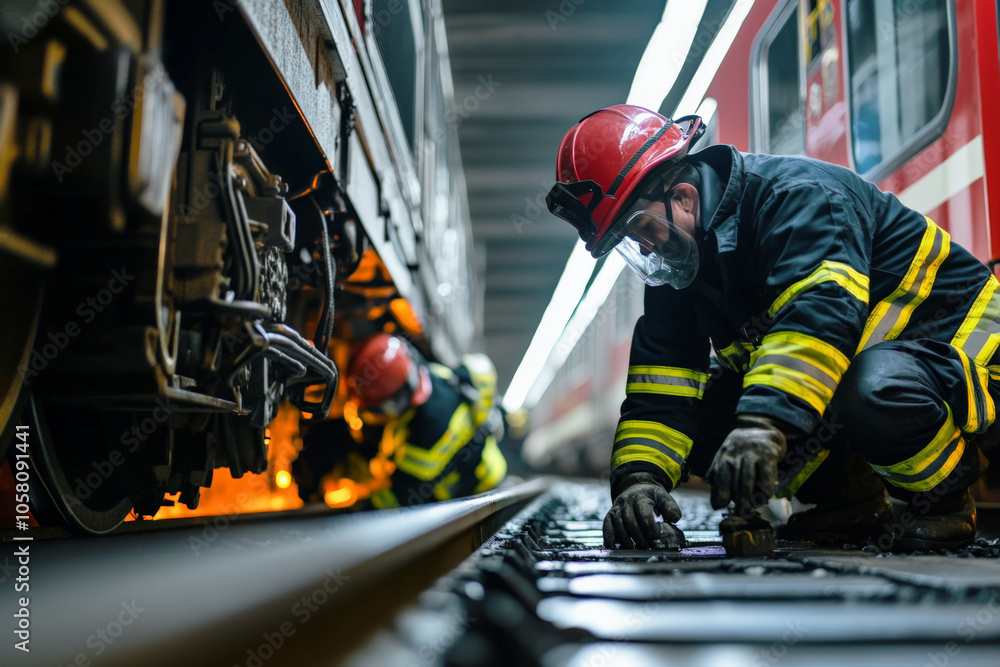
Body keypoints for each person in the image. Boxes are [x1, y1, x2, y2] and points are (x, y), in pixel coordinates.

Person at [546, 104, 999, 552]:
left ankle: (941, 503)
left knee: (870, 387)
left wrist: (763, 426)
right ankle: (853, 505)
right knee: (711, 417)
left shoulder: (798, 197)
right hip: (877, 376)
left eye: (642, 228)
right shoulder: (682, 257)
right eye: (631, 242)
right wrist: (640, 481)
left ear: (682, 196)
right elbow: (663, 385)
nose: (647, 248)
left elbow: (815, 319)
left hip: (968, 358)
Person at [342, 333, 507, 508]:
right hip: (492, 469)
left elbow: (397, 497)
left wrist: (355, 509)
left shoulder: (425, 435)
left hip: (479, 491)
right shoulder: (440, 375)